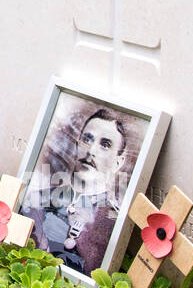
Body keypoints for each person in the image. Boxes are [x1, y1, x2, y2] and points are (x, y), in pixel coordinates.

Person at [26, 107, 129, 272]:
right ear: (76, 146)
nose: (91, 151)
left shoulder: (113, 221)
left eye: (105, 145)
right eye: (87, 140)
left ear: (118, 162)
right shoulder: (37, 199)